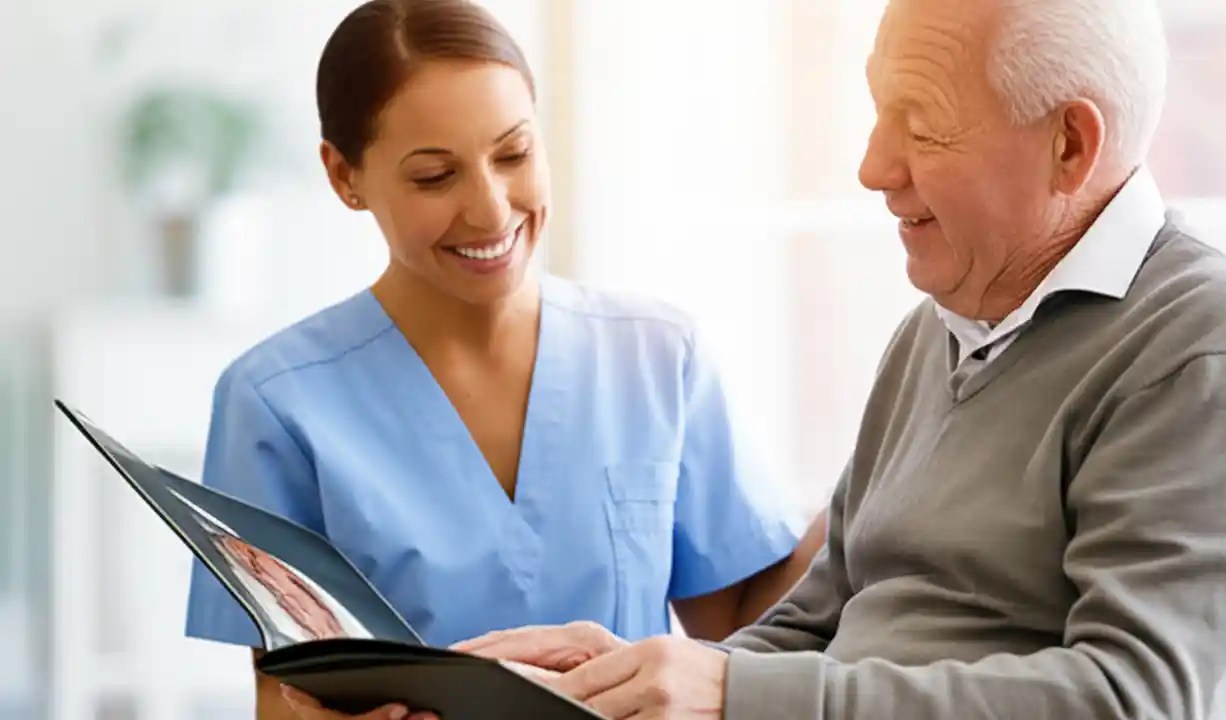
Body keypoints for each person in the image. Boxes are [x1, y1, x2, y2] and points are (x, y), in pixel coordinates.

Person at [458, 0, 1226, 718]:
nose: (873, 167)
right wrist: (633, 683)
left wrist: (736, 698)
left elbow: (1141, 701)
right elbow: (822, 621)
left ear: (1069, 143)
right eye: (879, 114)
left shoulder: (1207, 342)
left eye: (921, 127)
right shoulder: (944, 325)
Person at [182, 0, 826, 718]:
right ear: (344, 176)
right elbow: (284, 697)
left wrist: (889, 484)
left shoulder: (657, 357)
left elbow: (748, 627)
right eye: (434, 176)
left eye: (514, 154)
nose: (491, 211)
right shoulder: (274, 403)